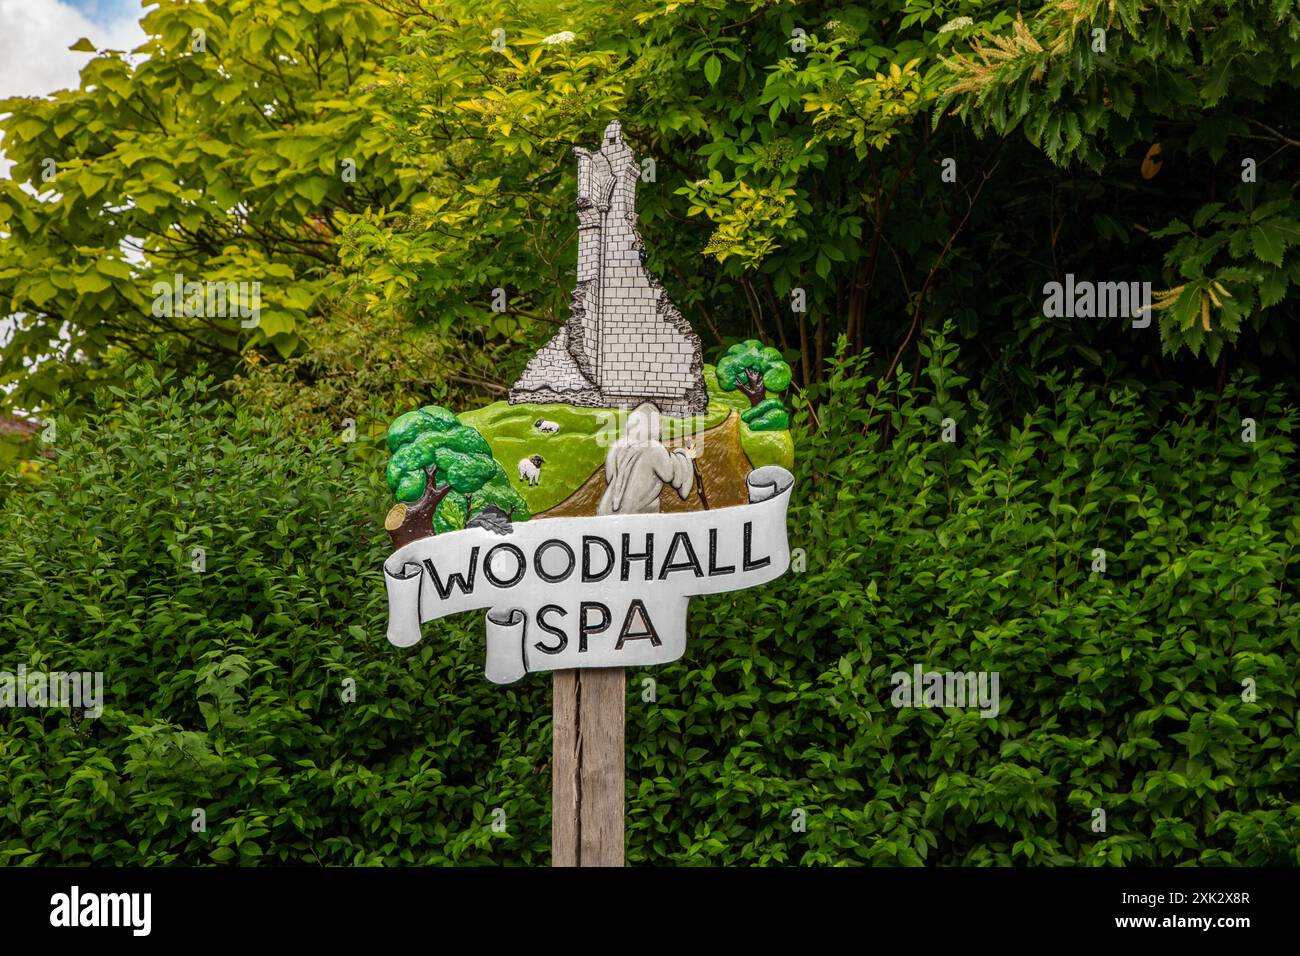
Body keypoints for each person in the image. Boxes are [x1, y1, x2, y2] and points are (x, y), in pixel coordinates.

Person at [597, 402, 699, 515]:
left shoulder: (617, 446)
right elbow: (669, 475)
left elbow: (609, 477)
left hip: (607, 510)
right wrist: (684, 456)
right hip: (638, 516)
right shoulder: (654, 448)